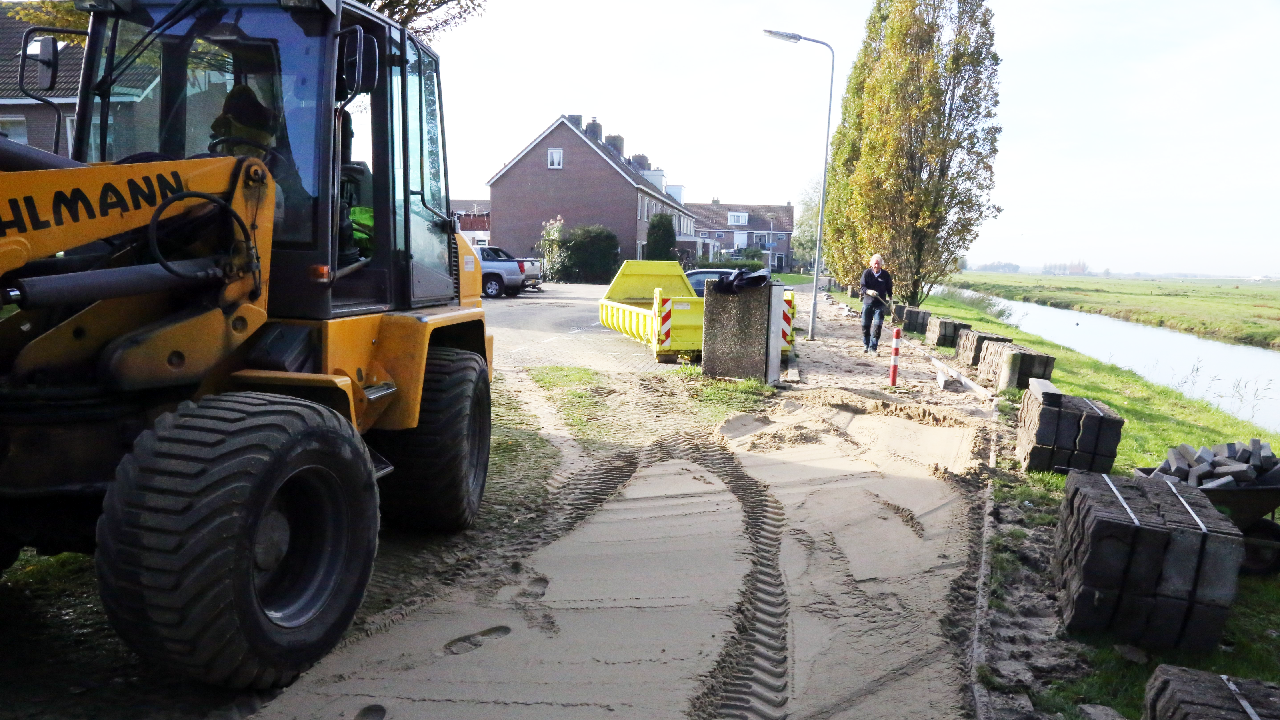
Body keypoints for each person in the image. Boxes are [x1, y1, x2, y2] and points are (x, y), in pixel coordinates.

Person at [860, 253, 893, 354]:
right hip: (868, 303)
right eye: (875, 264)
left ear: (881, 265)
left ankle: (873, 348)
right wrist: (868, 291)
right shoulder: (866, 273)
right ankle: (866, 344)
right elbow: (862, 287)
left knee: (877, 325)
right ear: (871, 264)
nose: (876, 266)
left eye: (878, 264)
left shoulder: (885, 275)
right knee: (865, 325)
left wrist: (890, 300)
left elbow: (889, 288)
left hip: (879, 304)